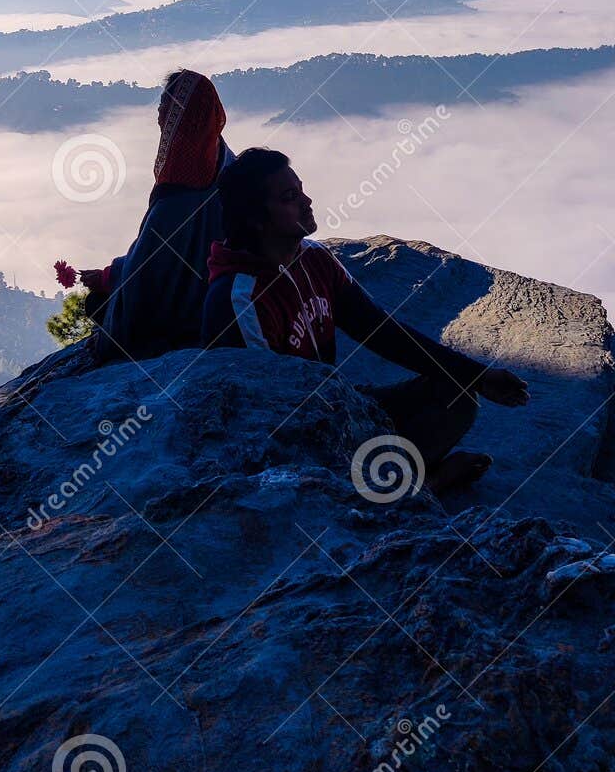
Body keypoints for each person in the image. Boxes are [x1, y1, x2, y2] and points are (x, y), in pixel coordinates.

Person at [201, 148, 529, 492]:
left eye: (301, 190)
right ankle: (411, 485)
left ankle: (393, 480)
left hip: (339, 405)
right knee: (307, 474)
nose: (307, 202)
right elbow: (263, 419)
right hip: (292, 436)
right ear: (256, 218)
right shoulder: (239, 301)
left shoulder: (315, 260)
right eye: (290, 197)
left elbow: (379, 329)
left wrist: (476, 375)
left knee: (457, 393)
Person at [67, 69, 233, 363]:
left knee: (97, 305)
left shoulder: (177, 195)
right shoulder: (227, 163)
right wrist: (109, 274)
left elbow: (146, 274)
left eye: (165, 106)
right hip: (222, 299)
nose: (159, 113)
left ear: (178, 116)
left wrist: (109, 339)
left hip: (188, 314)